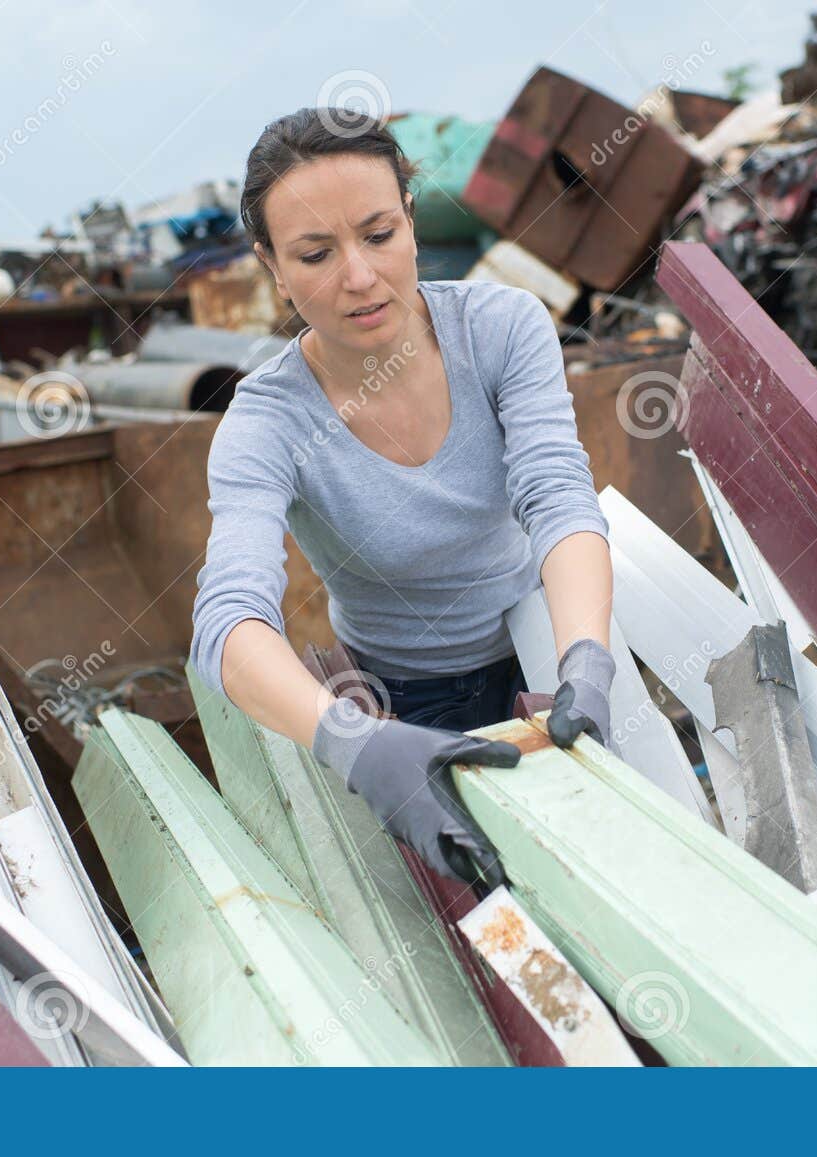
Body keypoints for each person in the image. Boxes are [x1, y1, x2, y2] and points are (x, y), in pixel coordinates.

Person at [191, 106, 617, 889]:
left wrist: (585, 657)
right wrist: (357, 744)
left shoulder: (502, 328)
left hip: (539, 650)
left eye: (380, 235)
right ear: (272, 267)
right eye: (316, 253)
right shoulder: (267, 421)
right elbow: (228, 623)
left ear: (412, 224)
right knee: (471, 913)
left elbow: (557, 495)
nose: (359, 276)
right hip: (396, 704)